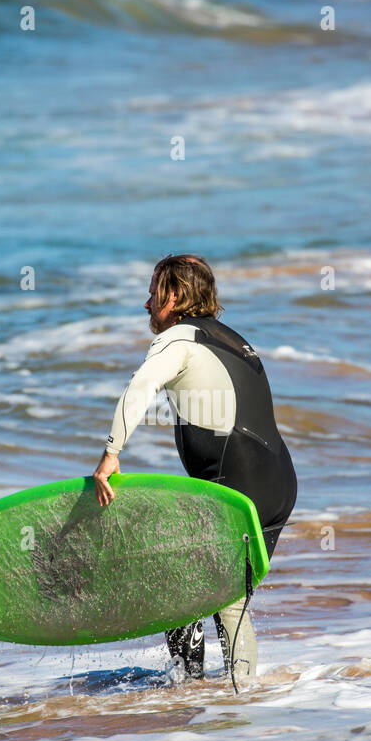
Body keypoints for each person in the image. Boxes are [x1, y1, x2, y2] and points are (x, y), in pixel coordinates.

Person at [91, 254, 297, 685]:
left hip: (236, 483)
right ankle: (232, 697)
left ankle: (199, 690)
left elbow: (140, 386)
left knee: (197, 593)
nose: (146, 305)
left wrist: (111, 454)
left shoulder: (179, 339)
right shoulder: (232, 339)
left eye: (152, 294)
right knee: (221, 595)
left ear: (175, 297)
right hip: (277, 484)